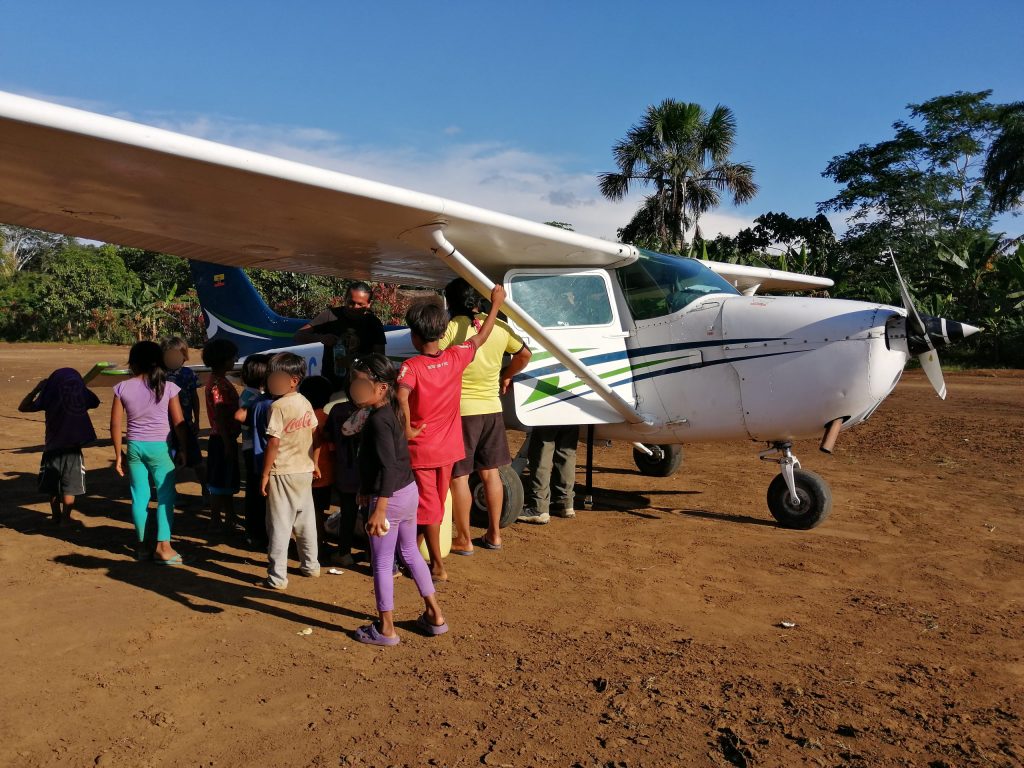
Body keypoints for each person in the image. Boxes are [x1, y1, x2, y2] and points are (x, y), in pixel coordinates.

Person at [397, 285, 506, 580]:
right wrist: (495, 304)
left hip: (422, 450)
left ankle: (436, 566)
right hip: (449, 448)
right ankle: (410, 557)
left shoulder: (411, 366)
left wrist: (407, 427)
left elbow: (401, 395)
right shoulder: (456, 358)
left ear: (414, 336)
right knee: (432, 503)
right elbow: (480, 338)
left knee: (428, 506)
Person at [350, 354, 447, 646]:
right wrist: (367, 488)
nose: (355, 388)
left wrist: (379, 508)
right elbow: (385, 462)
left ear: (381, 387)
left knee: (381, 563)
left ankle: (386, 629)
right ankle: (434, 615)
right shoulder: (389, 413)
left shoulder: (379, 421)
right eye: (353, 381)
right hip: (407, 493)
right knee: (410, 553)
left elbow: (387, 465)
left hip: (389, 499)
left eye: (361, 383)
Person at [440, 278, 532, 554]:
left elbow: (436, 357)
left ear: (450, 302)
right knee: (491, 473)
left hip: (462, 412)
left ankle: (464, 538)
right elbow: (525, 354)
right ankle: (494, 535)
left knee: (460, 477)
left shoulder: (451, 328)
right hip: (492, 409)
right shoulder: (500, 328)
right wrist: (507, 376)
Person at [110, 341, 189, 564]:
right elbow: (179, 423)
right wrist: (183, 449)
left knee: (139, 496)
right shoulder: (168, 387)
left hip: (135, 446)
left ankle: (143, 547)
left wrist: (118, 454)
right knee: (165, 497)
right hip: (160, 449)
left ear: (133, 364)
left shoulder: (122, 387)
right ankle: (164, 547)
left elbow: (115, 425)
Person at [259, 352, 320, 590]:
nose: (270, 382)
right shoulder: (304, 401)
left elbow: (273, 443)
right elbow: (315, 433)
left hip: (282, 471)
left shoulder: (277, 406)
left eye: (275, 377)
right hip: (303, 470)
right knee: (306, 522)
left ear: (293, 380)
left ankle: (277, 577)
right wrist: (314, 462)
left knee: (280, 525)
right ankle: (311, 565)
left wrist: (265, 474)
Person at [18, 367, 101, 526]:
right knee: (70, 485)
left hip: (52, 448)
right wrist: (81, 386)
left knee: (53, 485)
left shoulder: (49, 397)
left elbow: (23, 407)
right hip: (72, 448)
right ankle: (66, 518)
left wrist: (38, 389)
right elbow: (95, 401)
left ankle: (56, 516)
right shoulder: (79, 397)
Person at [293, 282, 387, 386]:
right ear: (345, 298)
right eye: (351, 302)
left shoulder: (374, 324)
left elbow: (380, 358)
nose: (354, 307)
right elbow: (298, 336)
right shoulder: (330, 315)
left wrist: (358, 360)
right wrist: (321, 338)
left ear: (369, 304)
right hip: (330, 382)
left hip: (360, 384)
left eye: (360, 304)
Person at [202, 339, 241, 533]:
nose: (235, 360)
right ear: (224, 360)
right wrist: (227, 443)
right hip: (222, 438)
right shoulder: (218, 385)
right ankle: (216, 519)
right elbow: (219, 415)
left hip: (222, 438)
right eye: (232, 357)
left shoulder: (217, 381)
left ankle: (229, 515)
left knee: (225, 480)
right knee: (219, 482)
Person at [234, 354, 270, 548]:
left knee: (254, 492)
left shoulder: (248, 394)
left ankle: (253, 531)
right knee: (257, 493)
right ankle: (256, 532)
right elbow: (241, 416)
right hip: (254, 448)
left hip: (250, 447)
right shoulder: (255, 397)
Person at [161, 337, 204, 502]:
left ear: (184, 356)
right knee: (168, 461)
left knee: (197, 460)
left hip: (185, 424)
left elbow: (194, 397)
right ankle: (171, 493)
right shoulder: (159, 375)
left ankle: (206, 490)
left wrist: (197, 420)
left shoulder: (188, 374)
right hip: (165, 427)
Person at [323, 396, 363, 567]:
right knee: (371, 515)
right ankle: (373, 554)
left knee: (348, 513)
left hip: (346, 471)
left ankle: (344, 552)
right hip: (368, 474)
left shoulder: (337, 409)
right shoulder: (378, 410)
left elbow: (328, 437)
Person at [298, 375, 336, 553]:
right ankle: (317, 545)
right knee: (318, 512)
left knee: (305, 511)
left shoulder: (300, 416)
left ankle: (309, 546)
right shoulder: (326, 418)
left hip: (302, 470)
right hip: (324, 472)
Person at [516, 426, 579, 525]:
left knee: (542, 449)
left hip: (548, 412)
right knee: (566, 449)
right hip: (574, 412)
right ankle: (564, 501)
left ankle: (538, 507)